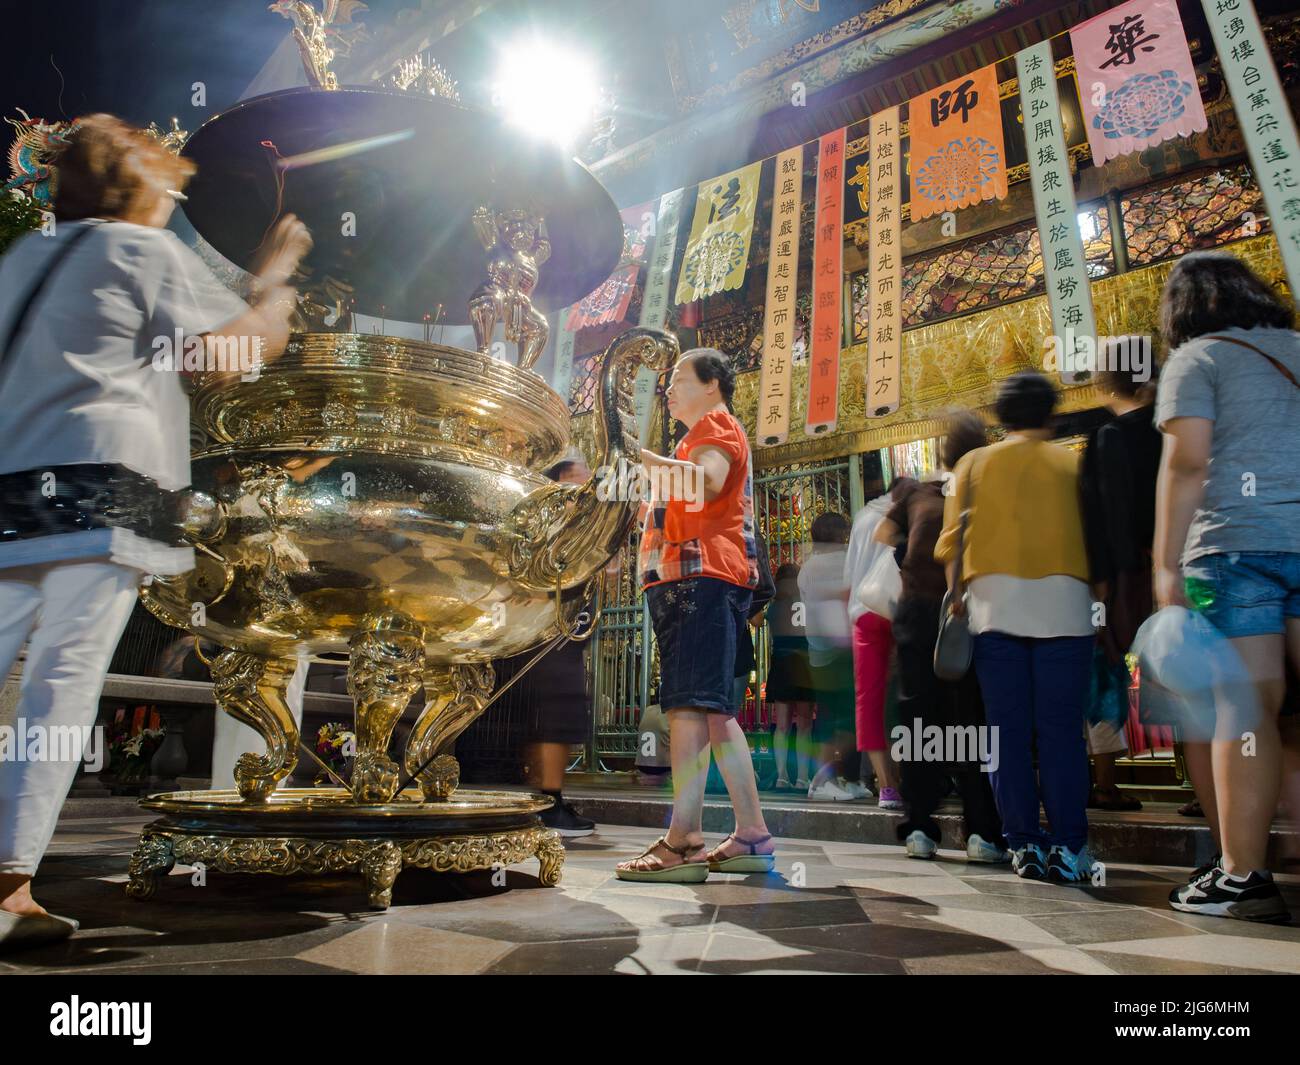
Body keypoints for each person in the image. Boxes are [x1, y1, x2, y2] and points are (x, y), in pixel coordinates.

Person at [0, 114, 310, 949]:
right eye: (166, 186)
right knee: (58, 691)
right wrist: (274, 283)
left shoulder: (23, 258)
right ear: (134, 187)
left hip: (10, 488)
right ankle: (8, 885)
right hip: (105, 486)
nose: (173, 201)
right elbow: (230, 355)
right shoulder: (137, 252)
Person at [1153, 252, 1300, 923]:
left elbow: (1187, 463)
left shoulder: (1198, 357)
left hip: (1236, 547)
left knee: (1247, 709)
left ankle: (1243, 875)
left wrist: (1165, 564)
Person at [616, 349, 773, 881]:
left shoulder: (716, 427)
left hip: (699, 579)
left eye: (679, 378)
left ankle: (683, 840)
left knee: (687, 705)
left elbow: (704, 483)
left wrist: (640, 458)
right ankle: (751, 835)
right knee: (712, 710)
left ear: (712, 385)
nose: (668, 388)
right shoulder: (693, 438)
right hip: (695, 581)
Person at [936, 372, 1096, 884]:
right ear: (1051, 415)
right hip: (1067, 607)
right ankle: (1069, 846)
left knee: (1004, 733)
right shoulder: (1072, 461)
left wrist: (958, 595)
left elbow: (951, 543)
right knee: (1061, 733)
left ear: (1001, 418)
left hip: (993, 608)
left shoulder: (973, 464)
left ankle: (1023, 844)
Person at [877, 413, 1006, 860]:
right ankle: (984, 834)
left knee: (920, 723)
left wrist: (911, 559)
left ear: (941, 453)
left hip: (918, 615)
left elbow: (883, 534)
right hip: (970, 610)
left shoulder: (919, 494)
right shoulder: (986, 491)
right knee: (971, 722)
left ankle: (920, 828)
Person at [1079, 344, 1161, 812]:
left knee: (1108, 676)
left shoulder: (1107, 437)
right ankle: (1200, 781)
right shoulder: (1171, 427)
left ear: (1105, 382)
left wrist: (1101, 584)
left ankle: (1105, 784)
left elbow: (1100, 517)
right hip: (1178, 567)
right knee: (1181, 674)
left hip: (1124, 578)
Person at [513, 456, 599, 837]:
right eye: (577, 483)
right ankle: (548, 801)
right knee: (557, 713)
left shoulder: (575, 528)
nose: (584, 491)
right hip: (551, 630)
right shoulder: (549, 527)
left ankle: (548, 798)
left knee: (558, 715)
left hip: (566, 629)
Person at [844, 490, 903, 808]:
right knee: (908, 699)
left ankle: (886, 785)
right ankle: (912, 773)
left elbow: (850, 575)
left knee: (870, 701)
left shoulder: (863, 517)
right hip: (902, 611)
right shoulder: (912, 510)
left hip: (864, 613)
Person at [798, 511, 860, 801]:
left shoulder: (808, 567)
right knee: (850, 715)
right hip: (848, 644)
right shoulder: (848, 560)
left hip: (819, 650)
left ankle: (827, 779)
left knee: (826, 715)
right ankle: (846, 778)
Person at [766, 563, 814, 790]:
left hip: (781, 662)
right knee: (805, 724)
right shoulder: (806, 603)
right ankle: (803, 777)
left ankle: (782, 775)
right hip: (804, 663)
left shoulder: (774, 607)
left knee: (782, 725)